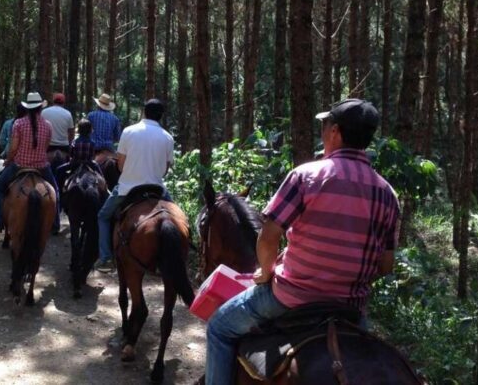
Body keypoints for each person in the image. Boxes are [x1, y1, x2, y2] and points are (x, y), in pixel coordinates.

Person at [202, 99, 399, 385]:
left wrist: (267, 273)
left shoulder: (306, 176)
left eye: (325, 126)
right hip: (351, 308)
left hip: (291, 297)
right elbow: (386, 265)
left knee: (219, 328)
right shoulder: (387, 194)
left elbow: (269, 236)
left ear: (335, 132)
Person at [93, 99, 175, 273]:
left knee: (103, 216)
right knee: (177, 218)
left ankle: (106, 257)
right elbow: (165, 170)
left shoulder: (129, 131)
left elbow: (121, 165)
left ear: (144, 112)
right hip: (156, 189)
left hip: (127, 188)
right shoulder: (168, 137)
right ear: (161, 116)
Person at [0, 92, 59, 233]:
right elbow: (45, 147)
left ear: (27, 108)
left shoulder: (19, 123)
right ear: (40, 108)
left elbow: (13, 148)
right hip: (41, 167)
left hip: (19, 165)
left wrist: (8, 161)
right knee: (55, 191)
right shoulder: (48, 125)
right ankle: (55, 224)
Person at [55, 118, 102, 191]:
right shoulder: (92, 142)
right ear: (90, 130)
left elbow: (71, 154)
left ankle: (57, 190)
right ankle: (105, 188)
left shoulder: (75, 142)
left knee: (59, 170)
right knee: (100, 173)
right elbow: (93, 156)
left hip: (75, 163)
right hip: (89, 163)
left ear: (79, 130)